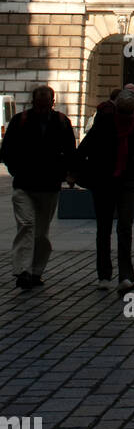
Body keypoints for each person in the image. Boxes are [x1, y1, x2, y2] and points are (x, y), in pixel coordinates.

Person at [0, 85, 76, 291]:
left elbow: (70, 152)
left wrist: (68, 173)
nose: (42, 107)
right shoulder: (20, 121)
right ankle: (23, 271)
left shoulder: (61, 122)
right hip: (24, 185)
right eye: (39, 103)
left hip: (49, 187)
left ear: (52, 102)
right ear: (34, 102)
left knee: (41, 233)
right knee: (26, 225)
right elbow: (5, 150)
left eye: (46, 103)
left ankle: (36, 271)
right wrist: (17, 170)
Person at [74, 90, 134, 292]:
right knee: (105, 229)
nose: (127, 117)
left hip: (127, 183)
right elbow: (84, 150)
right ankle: (104, 275)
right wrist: (81, 175)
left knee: (124, 228)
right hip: (105, 183)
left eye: (129, 112)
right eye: (124, 112)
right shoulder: (105, 123)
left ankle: (125, 276)